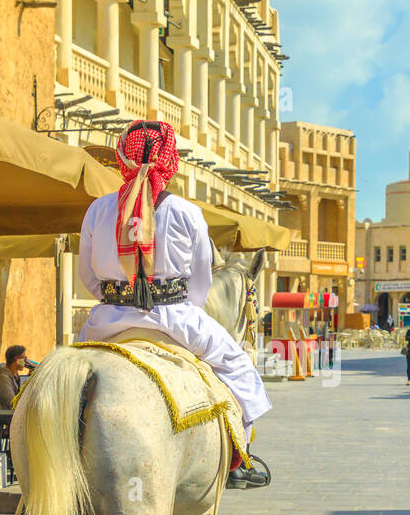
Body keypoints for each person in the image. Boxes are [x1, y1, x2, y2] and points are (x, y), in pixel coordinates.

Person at [77, 119, 271, 488]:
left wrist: (117, 300)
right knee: (239, 367)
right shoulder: (186, 212)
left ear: (123, 159)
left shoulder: (97, 210)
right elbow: (200, 285)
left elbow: (88, 278)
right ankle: (237, 458)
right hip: (175, 319)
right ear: (171, 161)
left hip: (104, 322)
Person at [0, 345, 33, 409]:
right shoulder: (2, 378)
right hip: (6, 415)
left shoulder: (14, 375)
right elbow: (12, 403)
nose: (25, 362)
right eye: (24, 359)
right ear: (16, 360)